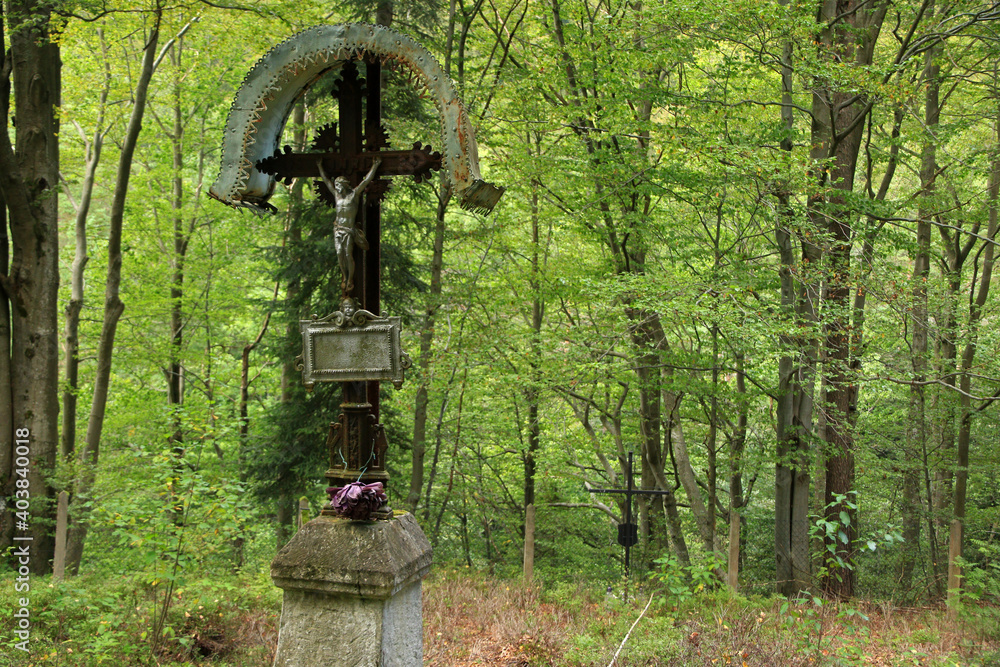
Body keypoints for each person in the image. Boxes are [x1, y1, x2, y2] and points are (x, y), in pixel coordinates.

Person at [317, 157, 382, 292]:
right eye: (336, 186)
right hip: (338, 229)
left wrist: (375, 166)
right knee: (339, 252)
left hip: (349, 230)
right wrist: (319, 167)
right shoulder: (337, 196)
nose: (337, 188)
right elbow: (326, 181)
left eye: (339, 186)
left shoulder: (354, 195)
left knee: (348, 254)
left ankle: (350, 278)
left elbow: (365, 181)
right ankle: (344, 277)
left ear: (345, 185)